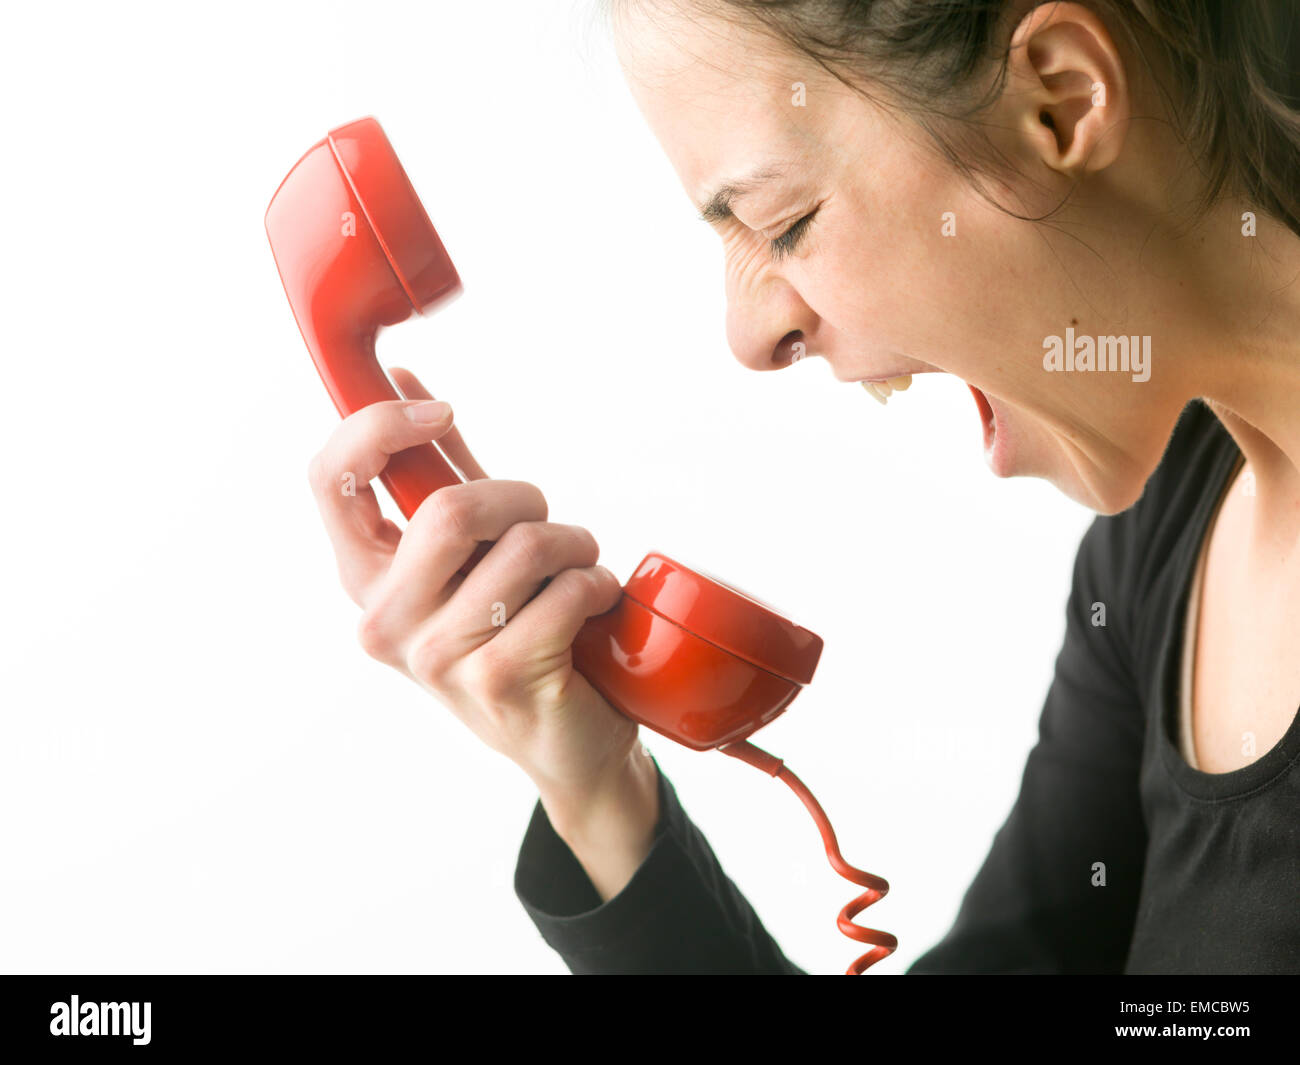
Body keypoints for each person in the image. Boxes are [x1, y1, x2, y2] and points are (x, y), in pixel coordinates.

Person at [306, 0, 1300, 973]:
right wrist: (598, 793)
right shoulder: (1164, 536)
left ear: (1061, 100)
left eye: (783, 223)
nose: (749, 339)